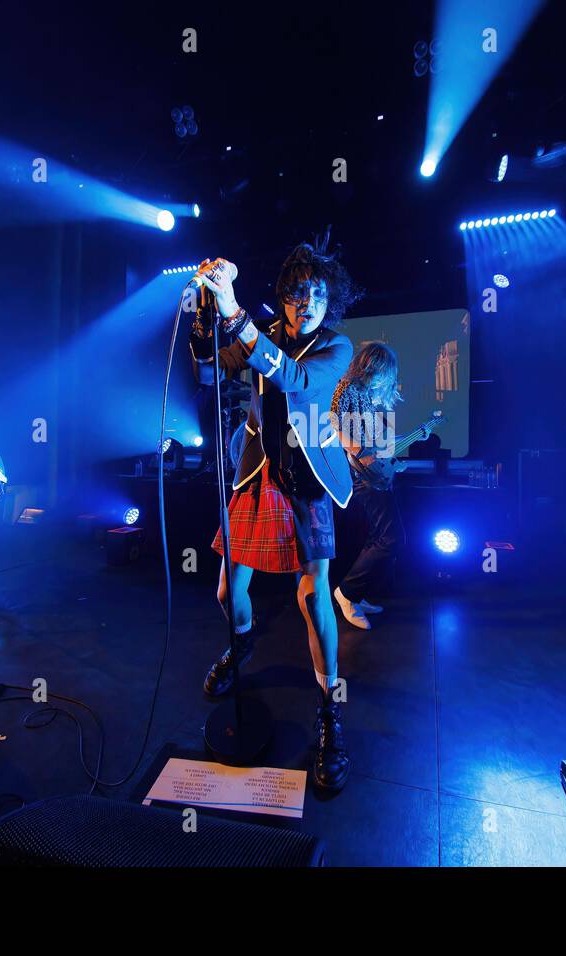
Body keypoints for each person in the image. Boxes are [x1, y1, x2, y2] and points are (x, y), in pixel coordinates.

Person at [189, 239, 360, 791]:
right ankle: (242, 641)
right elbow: (213, 360)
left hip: (307, 480)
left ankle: (330, 710)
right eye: (295, 293)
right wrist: (205, 306)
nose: (304, 302)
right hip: (259, 472)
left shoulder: (336, 345)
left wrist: (235, 312)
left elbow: (293, 379)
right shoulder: (264, 331)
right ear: (284, 298)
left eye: (315, 293)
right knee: (224, 591)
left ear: (328, 299)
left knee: (313, 599)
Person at [330, 342, 425, 630]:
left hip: (374, 474)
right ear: (370, 365)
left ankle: (354, 595)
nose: (385, 379)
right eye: (383, 372)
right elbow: (330, 423)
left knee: (380, 537)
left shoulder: (368, 397)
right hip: (359, 476)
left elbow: (376, 443)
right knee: (392, 538)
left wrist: (390, 458)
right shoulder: (345, 387)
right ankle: (345, 592)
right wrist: (359, 452)